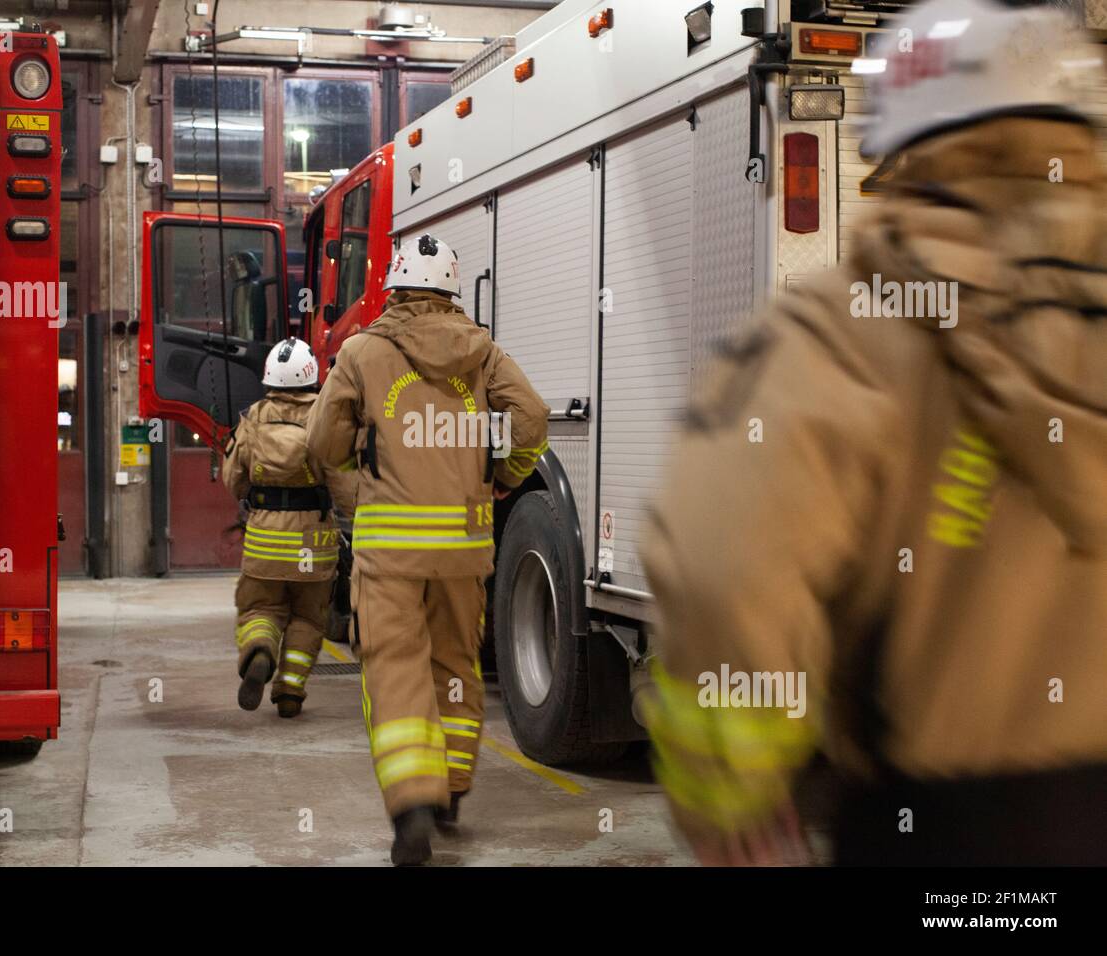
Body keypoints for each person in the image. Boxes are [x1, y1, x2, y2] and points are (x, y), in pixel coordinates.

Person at [640, 0, 1107, 866]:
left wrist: (729, 791)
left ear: (901, 145)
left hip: (946, 821)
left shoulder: (845, 329)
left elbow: (725, 567)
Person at [307, 234, 550, 865]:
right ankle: (453, 788)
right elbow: (531, 419)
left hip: (389, 552)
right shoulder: (483, 353)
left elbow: (322, 443)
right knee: (455, 665)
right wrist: (502, 474)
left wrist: (355, 487)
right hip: (465, 551)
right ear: (451, 291)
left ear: (393, 287)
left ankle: (413, 801)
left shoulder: (362, 353)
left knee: (394, 669)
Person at [223, 337, 356, 718]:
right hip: (313, 545)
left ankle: (260, 650)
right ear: (312, 375)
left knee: (260, 609)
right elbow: (346, 487)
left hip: (265, 542)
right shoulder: (324, 418)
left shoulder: (252, 419)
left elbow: (234, 481)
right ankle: (290, 691)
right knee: (308, 617)